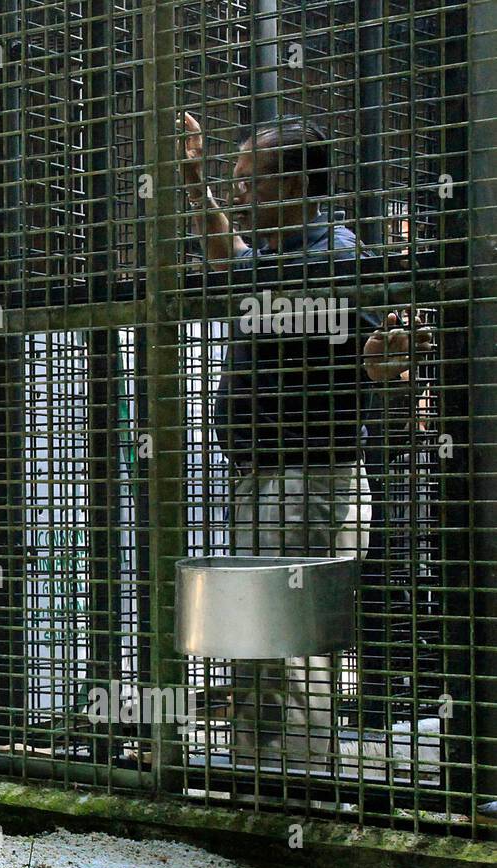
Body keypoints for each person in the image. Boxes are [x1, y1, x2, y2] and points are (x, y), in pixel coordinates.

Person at [180, 112, 424, 772]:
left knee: (292, 645)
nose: (240, 195)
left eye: (249, 184)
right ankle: (265, 780)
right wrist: (195, 185)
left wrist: (388, 361)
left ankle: (298, 789)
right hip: (264, 477)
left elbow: (386, 364)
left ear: (296, 188)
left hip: (311, 478)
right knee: (263, 638)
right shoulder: (275, 255)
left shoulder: (339, 259)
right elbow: (227, 256)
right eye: (234, 183)